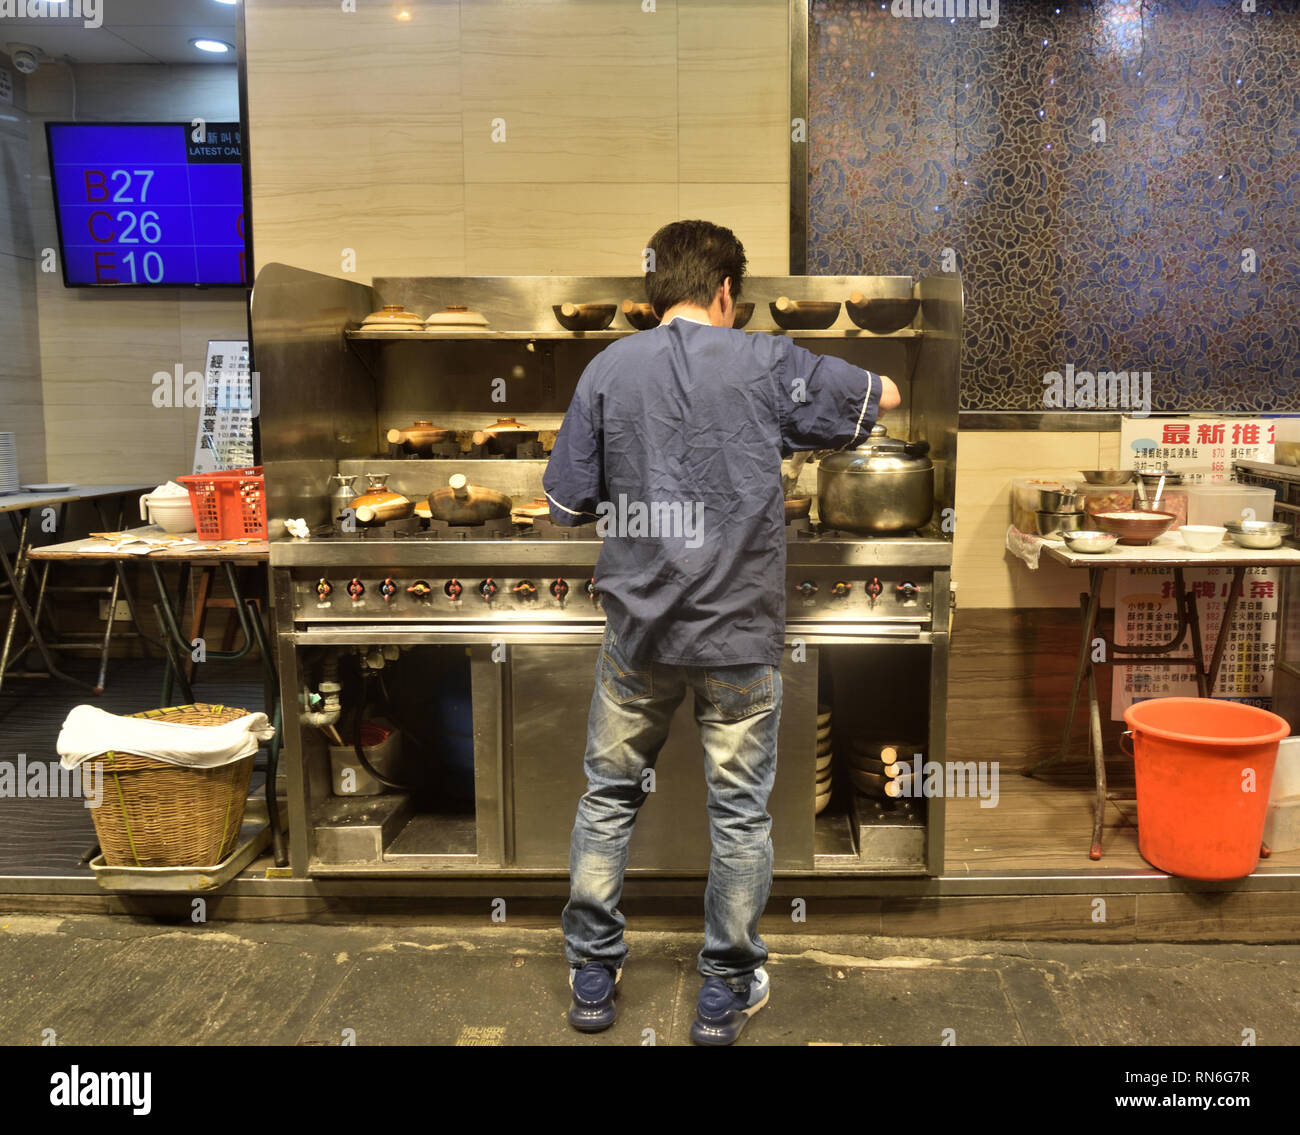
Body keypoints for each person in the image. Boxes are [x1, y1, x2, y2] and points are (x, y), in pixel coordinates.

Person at [542, 220, 901, 1045]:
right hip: (738, 636)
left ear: (654, 293)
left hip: (636, 638)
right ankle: (723, 992)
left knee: (607, 798)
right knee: (738, 815)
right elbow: (879, 397)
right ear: (727, 294)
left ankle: (594, 973)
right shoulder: (767, 360)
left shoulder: (606, 368)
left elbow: (566, 501)